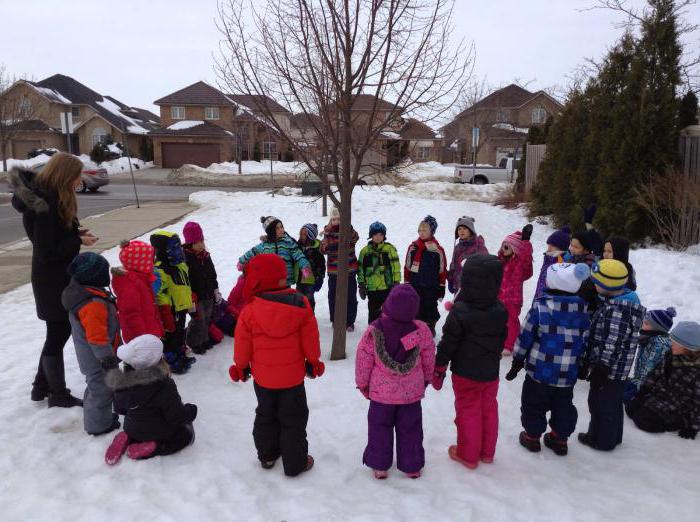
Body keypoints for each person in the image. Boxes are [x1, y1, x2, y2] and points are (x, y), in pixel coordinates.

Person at [10, 152, 97, 407]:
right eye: (77, 175)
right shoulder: (45, 205)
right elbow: (47, 251)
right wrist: (77, 240)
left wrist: (74, 231)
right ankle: (57, 394)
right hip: (52, 279)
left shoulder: (50, 199)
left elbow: (53, 237)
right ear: (65, 176)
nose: (79, 180)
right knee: (58, 331)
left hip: (56, 276)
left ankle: (41, 387)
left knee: (57, 331)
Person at [230, 254, 324, 476]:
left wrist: (241, 367)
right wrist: (313, 361)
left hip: (264, 379)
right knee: (293, 419)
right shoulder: (299, 303)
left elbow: (242, 343)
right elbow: (310, 337)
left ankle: (268, 455)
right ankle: (295, 463)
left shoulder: (250, 310)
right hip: (292, 379)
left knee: (266, 415)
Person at [506, 263, 591, 456]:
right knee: (563, 405)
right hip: (567, 373)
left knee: (533, 404)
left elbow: (526, 334)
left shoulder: (541, 306)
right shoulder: (582, 309)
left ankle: (532, 436)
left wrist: (518, 360)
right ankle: (560, 438)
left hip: (539, 371)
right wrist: (584, 364)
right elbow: (586, 339)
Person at [433, 255, 507, 469]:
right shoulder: (500, 310)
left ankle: (468, 454)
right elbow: (503, 337)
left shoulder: (460, 311)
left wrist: (439, 367)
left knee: (468, 410)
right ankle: (487, 453)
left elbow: (448, 342)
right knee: (488, 409)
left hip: (465, 373)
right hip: (490, 371)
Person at [355, 284, 436, 479]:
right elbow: (428, 356)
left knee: (379, 428)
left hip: (381, 396)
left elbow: (364, 359)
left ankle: (380, 465)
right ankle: (412, 465)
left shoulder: (375, 330)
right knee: (411, 429)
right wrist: (426, 378)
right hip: (410, 395)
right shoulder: (421, 330)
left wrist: (363, 383)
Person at [578, 259, 646, 451]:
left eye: (596, 282)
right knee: (614, 403)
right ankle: (614, 436)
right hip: (619, 369)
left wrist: (601, 366)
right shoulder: (622, 301)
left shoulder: (617, 311)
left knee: (600, 403)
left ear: (606, 285)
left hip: (609, 369)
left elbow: (613, 342)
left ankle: (600, 440)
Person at [105, 335, 197, 464]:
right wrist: (190, 410)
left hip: (131, 428)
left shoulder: (122, 382)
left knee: (141, 423)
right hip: (157, 432)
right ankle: (155, 448)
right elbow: (177, 417)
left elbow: (120, 409)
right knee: (184, 436)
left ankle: (130, 437)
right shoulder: (164, 384)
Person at [62, 252, 122, 435]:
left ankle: (97, 417)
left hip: (94, 355)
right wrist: (107, 358)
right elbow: (96, 336)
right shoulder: (92, 303)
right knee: (101, 390)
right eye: (104, 272)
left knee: (97, 387)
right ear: (94, 276)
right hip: (97, 358)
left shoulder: (87, 292)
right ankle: (98, 426)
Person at [625, 321, 700, 440]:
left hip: (679, 407)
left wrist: (693, 426)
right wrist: (643, 392)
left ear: (688, 348)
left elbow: (698, 402)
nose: (671, 343)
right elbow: (654, 374)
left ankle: (682, 421)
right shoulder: (671, 355)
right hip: (660, 397)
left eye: (675, 342)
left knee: (643, 422)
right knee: (630, 408)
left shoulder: (695, 370)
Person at [150, 231, 194, 374]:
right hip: (171, 310)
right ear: (163, 250)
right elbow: (159, 293)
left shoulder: (179, 264)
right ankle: (172, 359)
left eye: (178, 247)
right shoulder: (160, 270)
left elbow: (186, 283)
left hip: (182, 306)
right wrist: (165, 311)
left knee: (180, 331)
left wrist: (190, 299)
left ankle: (180, 351)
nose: (178, 250)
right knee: (171, 336)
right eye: (173, 248)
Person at [111, 240, 164, 344]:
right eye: (149, 260)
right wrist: (142, 340)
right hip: (141, 340)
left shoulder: (142, 279)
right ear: (140, 263)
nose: (152, 263)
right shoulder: (130, 284)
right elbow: (131, 315)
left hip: (149, 334)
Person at [404, 215, 447, 336]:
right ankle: (415, 327)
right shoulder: (413, 247)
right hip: (415, 284)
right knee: (415, 307)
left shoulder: (437, 250)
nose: (421, 233)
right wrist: (406, 282)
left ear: (432, 232)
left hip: (431, 286)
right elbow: (407, 266)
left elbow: (442, 269)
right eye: (420, 230)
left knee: (430, 307)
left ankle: (430, 326)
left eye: (425, 230)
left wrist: (441, 286)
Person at [239, 216, 312, 287]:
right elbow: (252, 252)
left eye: (281, 227)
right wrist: (241, 261)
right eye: (277, 228)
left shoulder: (288, 243)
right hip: (270, 281)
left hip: (285, 281)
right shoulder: (265, 245)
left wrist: (306, 269)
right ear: (271, 231)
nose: (281, 230)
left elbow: (299, 256)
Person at [182, 221, 220, 355]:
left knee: (207, 317)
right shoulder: (186, 258)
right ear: (189, 243)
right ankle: (193, 342)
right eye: (197, 242)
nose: (201, 244)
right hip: (196, 296)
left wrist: (215, 289)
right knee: (198, 319)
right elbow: (185, 281)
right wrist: (190, 298)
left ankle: (203, 339)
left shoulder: (205, 256)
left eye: (202, 240)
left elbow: (212, 273)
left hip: (208, 293)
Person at [321, 207, 360, 331]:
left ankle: (350, 321)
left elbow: (355, 238)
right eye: (333, 219)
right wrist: (330, 247)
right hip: (334, 272)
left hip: (349, 271)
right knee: (333, 296)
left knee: (351, 297)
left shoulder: (349, 230)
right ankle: (335, 319)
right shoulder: (327, 233)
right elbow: (322, 249)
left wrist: (347, 227)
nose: (336, 221)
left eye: (338, 219)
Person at [624, 307, 675, 401]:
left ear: (658, 328)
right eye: (643, 321)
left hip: (648, 387)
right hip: (638, 380)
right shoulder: (647, 338)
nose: (642, 324)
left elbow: (650, 369)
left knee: (624, 398)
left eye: (646, 323)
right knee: (616, 389)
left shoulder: (659, 345)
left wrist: (639, 389)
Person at [497, 225, 534, 355]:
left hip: (513, 299)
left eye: (507, 246)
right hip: (500, 297)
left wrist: (525, 242)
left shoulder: (519, 264)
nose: (503, 249)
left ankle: (510, 344)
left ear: (516, 249)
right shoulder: (501, 261)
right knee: (499, 320)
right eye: (503, 245)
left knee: (511, 322)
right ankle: (499, 340)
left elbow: (526, 260)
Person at [357, 222, 402, 323]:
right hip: (372, 288)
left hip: (387, 287)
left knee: (388, 310)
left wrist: (396, 282)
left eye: (381, 235)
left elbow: (396, 267)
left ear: (384, 236)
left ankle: (388, 329)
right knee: (373, 311)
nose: (378, 237)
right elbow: (360, 269)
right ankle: (373, 331)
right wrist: (361, 284)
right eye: (375, 234)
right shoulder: (365, 252)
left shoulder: (389, 249)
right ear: (371, 236)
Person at [447, 216, 488, 295]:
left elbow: (485, 266)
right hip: (458, 287)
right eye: (459, 229)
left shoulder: (478, 246)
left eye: (465, 228)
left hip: (473, 288)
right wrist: (451, 280)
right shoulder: (457, 247)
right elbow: (453, 264)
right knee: (457, 307)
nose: (462, 231)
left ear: (471, 230)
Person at [533, 226, 570, 301]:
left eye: (552, 246)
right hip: (539, 293)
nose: (549, 248)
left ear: (561, 248)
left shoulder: (560, 261)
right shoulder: (548, 257)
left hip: (548, 298)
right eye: (548, 245)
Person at [296, 223, 326, 312]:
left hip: (311, 278)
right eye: (301, 234)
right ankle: (300, 317)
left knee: (309, 298)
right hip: (300, 277)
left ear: (310, 236)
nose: (301, 236)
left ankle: (310, 317)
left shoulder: (316, 250)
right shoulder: (298, 246)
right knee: (299, 298)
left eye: (304, 234)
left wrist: (320, 276)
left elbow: (322, 264)